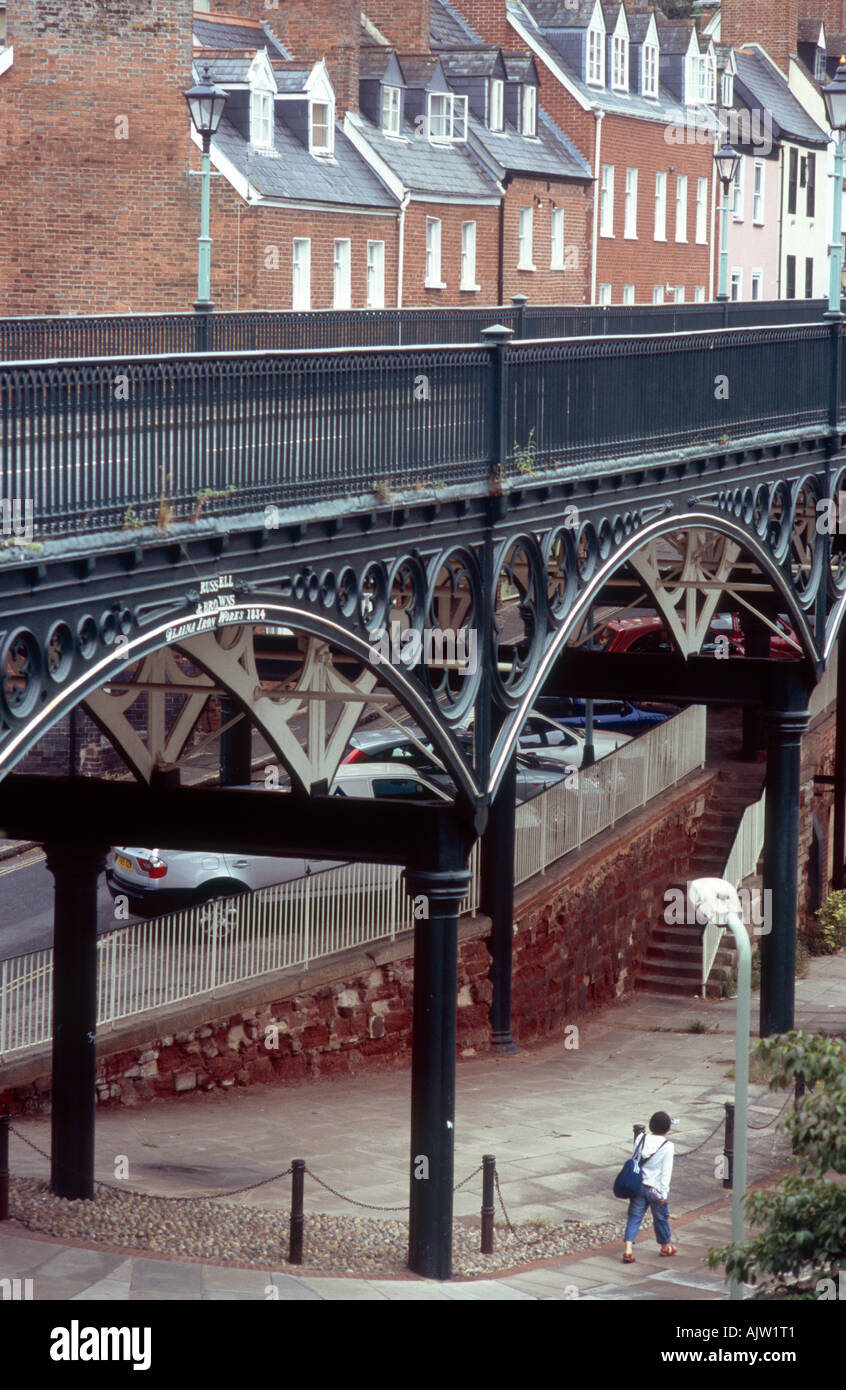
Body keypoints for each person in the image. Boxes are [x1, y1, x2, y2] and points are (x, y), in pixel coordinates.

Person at [622, 1110, 676, 1263]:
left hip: (639, 1185)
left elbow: (635, 1159)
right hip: (655, 1188)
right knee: (661, 1218)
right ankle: (665, 1246)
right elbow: (666, 1172)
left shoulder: (641, 1138)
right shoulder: (667, 1146)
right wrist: (664, 1194)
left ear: (651, 1125)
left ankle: (628, 1249)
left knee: (634, 1217)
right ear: (667, 1128)